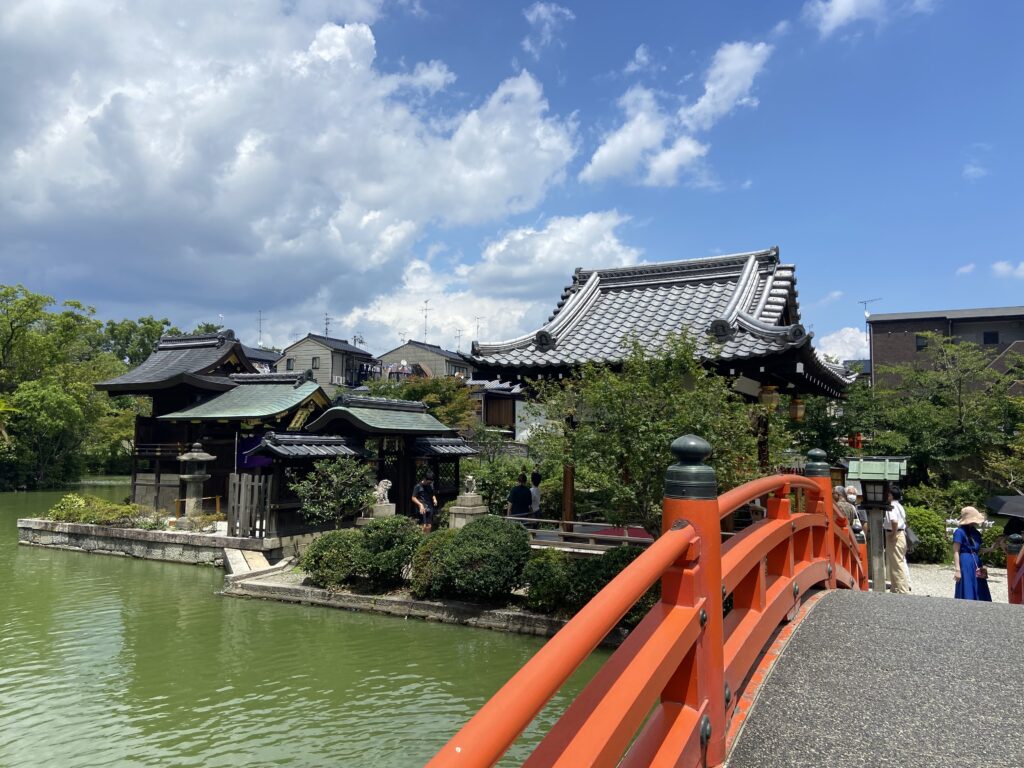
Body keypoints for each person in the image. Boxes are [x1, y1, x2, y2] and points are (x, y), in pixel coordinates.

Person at [953, 506, 992, 602]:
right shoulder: (959, 532)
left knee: (979, 585)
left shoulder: (976, 532)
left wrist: (992, 548)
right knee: (967, 585)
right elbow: (956, 551)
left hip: (976, 561)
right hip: (965, 561)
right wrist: (957, 570)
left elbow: (977, 550)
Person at [885, 486, 911, 594]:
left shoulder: (891, 506)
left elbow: (894, 521)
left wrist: (893, 534)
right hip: (901, 534)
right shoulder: (899, 506)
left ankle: (902, 589)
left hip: (895, 534)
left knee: (897, 563)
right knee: (896, 562)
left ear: (891, 495)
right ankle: (895, 587)